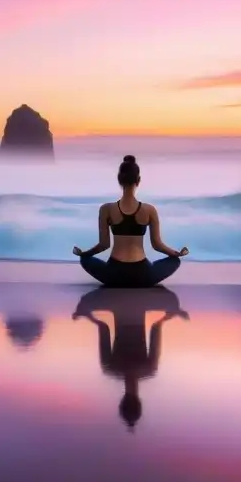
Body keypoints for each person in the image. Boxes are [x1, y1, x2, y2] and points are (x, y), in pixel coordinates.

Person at [72, 286, 189, 430]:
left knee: (172, 302)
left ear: (139, 401)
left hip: (133, 302)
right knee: (172, 302)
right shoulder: (110, 368)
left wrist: (169, 315)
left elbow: (155, 328)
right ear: (122, 400)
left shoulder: (148, 369)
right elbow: (104, 327)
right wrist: (87, 315)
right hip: (122, 302)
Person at [72, 155, 189, 288]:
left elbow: (104, 245)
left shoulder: (106, 209)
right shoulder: (149, 210)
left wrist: (85, 254)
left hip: (114, 275)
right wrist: (176, 254)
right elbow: (157, 245)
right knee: (175, 261)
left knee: (85, 260)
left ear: (119, 179)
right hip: (143, 275)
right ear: (138, 180)